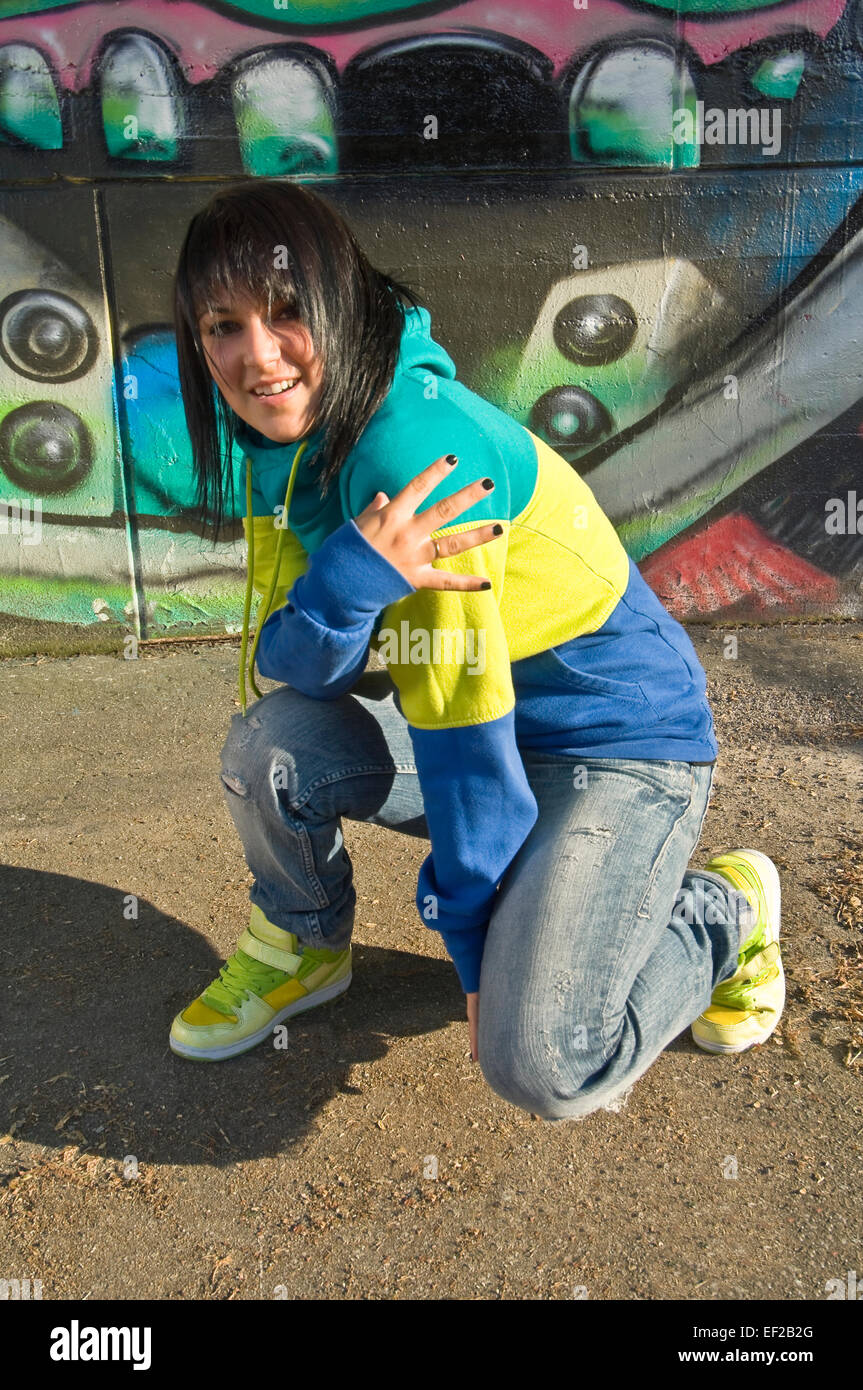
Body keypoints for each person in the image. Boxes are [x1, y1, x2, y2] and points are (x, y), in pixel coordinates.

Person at [167, 178, 784, 1119]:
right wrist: (352, 577)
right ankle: (304, 946)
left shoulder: (415, 454)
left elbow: (465, 731)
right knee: (274, 743)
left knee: (545, 1064)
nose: (257, 357)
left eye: (287, 312)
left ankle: (724, 909)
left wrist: (471, 939)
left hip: (615, 748)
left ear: (340, 299)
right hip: (483, 729)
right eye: (223, 326)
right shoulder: (275, 442)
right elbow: (293, 664)